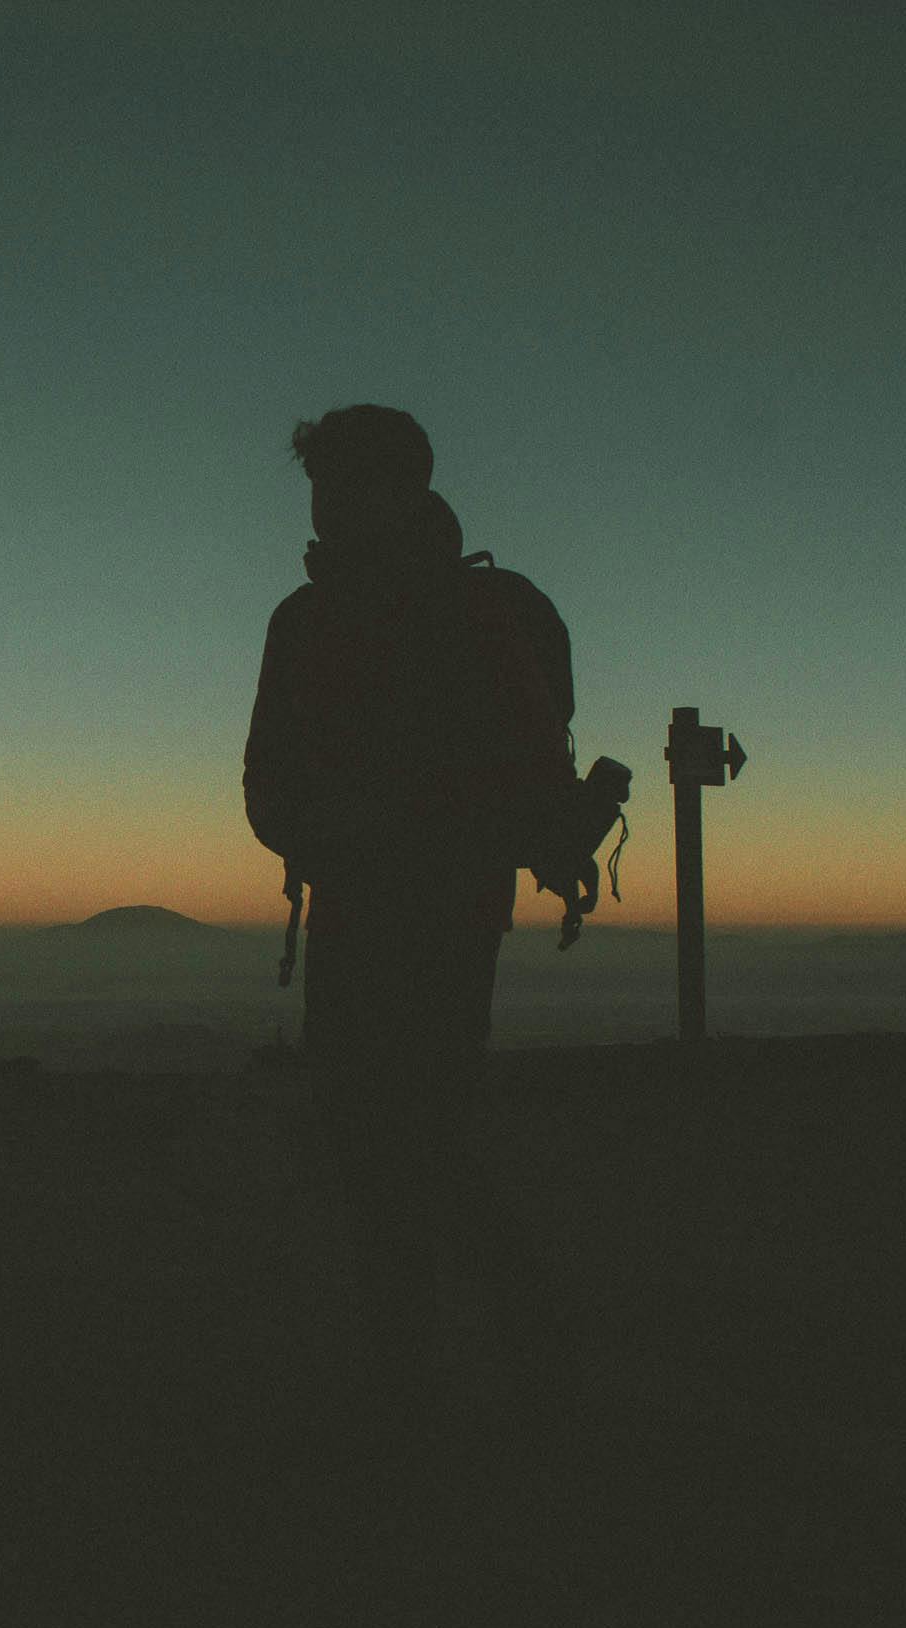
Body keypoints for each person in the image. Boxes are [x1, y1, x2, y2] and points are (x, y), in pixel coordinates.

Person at [240, 404, 577, 1446]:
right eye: (321, 486)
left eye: (342, 486)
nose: (326, 506)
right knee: (394, 1135)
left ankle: (437, 1366)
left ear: (397, 489)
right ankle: (460, 1352)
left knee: (392, 1138)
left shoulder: (319, 621)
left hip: (402, 912)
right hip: (442, 910)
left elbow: (268, 789)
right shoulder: (484, 609)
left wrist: (347, 827)